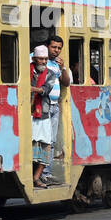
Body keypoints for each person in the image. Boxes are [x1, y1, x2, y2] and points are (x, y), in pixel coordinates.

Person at [44, 35, 73, 182]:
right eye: (53, 47)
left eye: (59, 48)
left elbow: (66, 83)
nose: (56, 50)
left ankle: (47, 173)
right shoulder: (38, 58)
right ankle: (42, 174)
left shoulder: (57, 63)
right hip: (43, 105)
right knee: (44, 140)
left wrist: (62, 68)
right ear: (47, 46)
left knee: (52, 140)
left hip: (54, 106)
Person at [30, 45, 54, 187]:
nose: (44, 62)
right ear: (34, 59)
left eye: (45, 59)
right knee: (30, 145)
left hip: (43, 113)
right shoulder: (26, 71)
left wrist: (31, 88)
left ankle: (36, 177)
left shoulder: (50, 74)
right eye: (41, 59)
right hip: (28, 113)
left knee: (46, 146)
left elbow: (45, 90)